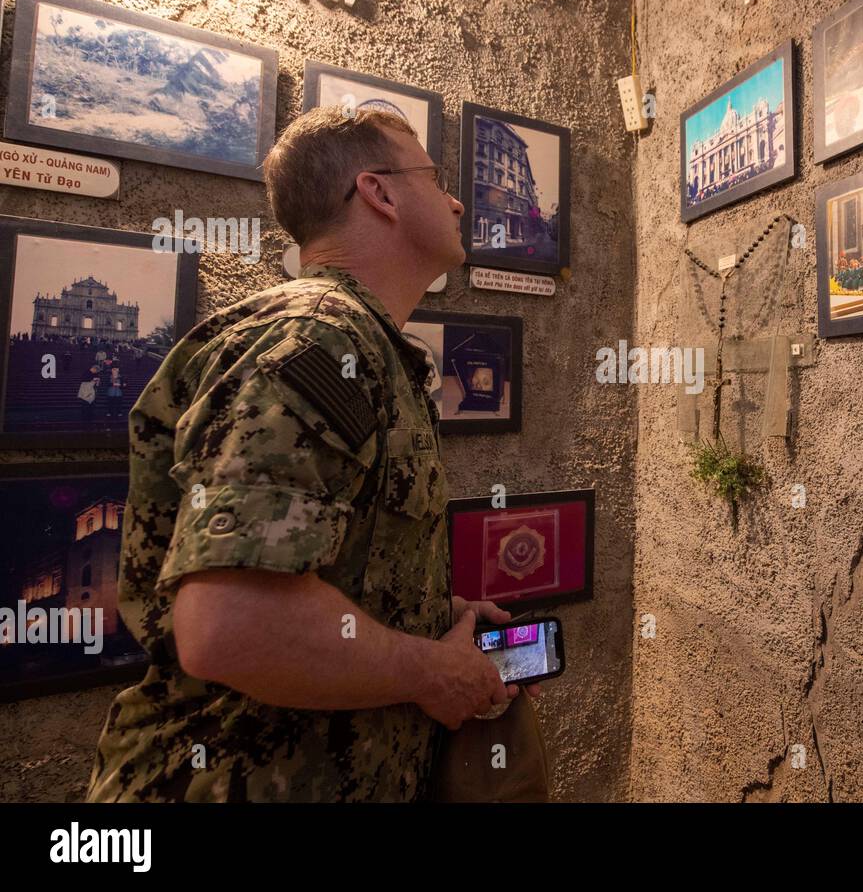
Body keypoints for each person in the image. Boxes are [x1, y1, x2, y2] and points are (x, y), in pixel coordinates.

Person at [87, 107, 546, 803]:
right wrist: (432, 672)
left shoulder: (359, 345)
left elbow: (302, 568)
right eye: (434, 177)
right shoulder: (323, 340)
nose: (455, 200)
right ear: (380, 193)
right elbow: (233, 624)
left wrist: (423, 610)